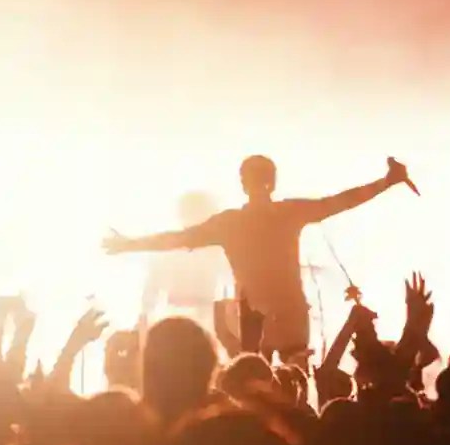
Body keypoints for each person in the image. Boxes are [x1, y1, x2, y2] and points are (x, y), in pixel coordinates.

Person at [104, 155, 410, 365]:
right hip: (290, 314)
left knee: (253, 382)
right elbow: (340, 202)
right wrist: (387, 181)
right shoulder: (288, 213)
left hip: (252, 319)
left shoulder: (230, 223)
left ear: (242, 183)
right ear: (273, 182)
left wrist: (129, 244)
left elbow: (177, 239)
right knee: (296, 374)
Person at [139, 192, 228, 336]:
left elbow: (230, 281)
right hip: (175, 317)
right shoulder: (166, 253)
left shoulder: (217, 252)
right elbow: (150, 292)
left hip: (205, 317)